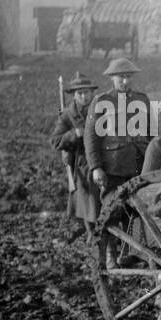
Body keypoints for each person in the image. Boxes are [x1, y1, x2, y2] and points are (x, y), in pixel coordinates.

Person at [85, 57, 151, 195]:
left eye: (129, 77)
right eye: (121, 77)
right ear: (112, 78)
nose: (126, 81)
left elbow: (152, 132)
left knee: (140, 209)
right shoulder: (101, 101)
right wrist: (96, 167)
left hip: (139, 165)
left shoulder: (141, 99)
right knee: (113, 210)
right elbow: (91, 138)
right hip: (113, 167)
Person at [49, 72, 100, 235]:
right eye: (80, 93)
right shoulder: (67, 116)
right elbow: (55, 141)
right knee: (87, 201)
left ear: (92, 93)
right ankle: (92, 233)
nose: (84, 97)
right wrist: (73, 134)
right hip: (82, 163)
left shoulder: (101, 109)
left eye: (87, 92)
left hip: (102, 158)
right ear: (74, 95)